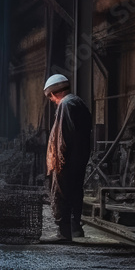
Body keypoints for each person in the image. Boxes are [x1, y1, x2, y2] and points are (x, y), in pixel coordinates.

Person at [44, 74, 92, 241]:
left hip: (66, 159)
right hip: (79, 159)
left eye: (51, 97)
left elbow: (62, 138)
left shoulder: (65, 104)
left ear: (53, 93)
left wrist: (59, 160)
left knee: (61, 193)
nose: (52, 101)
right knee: (76, 192)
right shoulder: (78, 102)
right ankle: (75, 228)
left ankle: (64, 233)